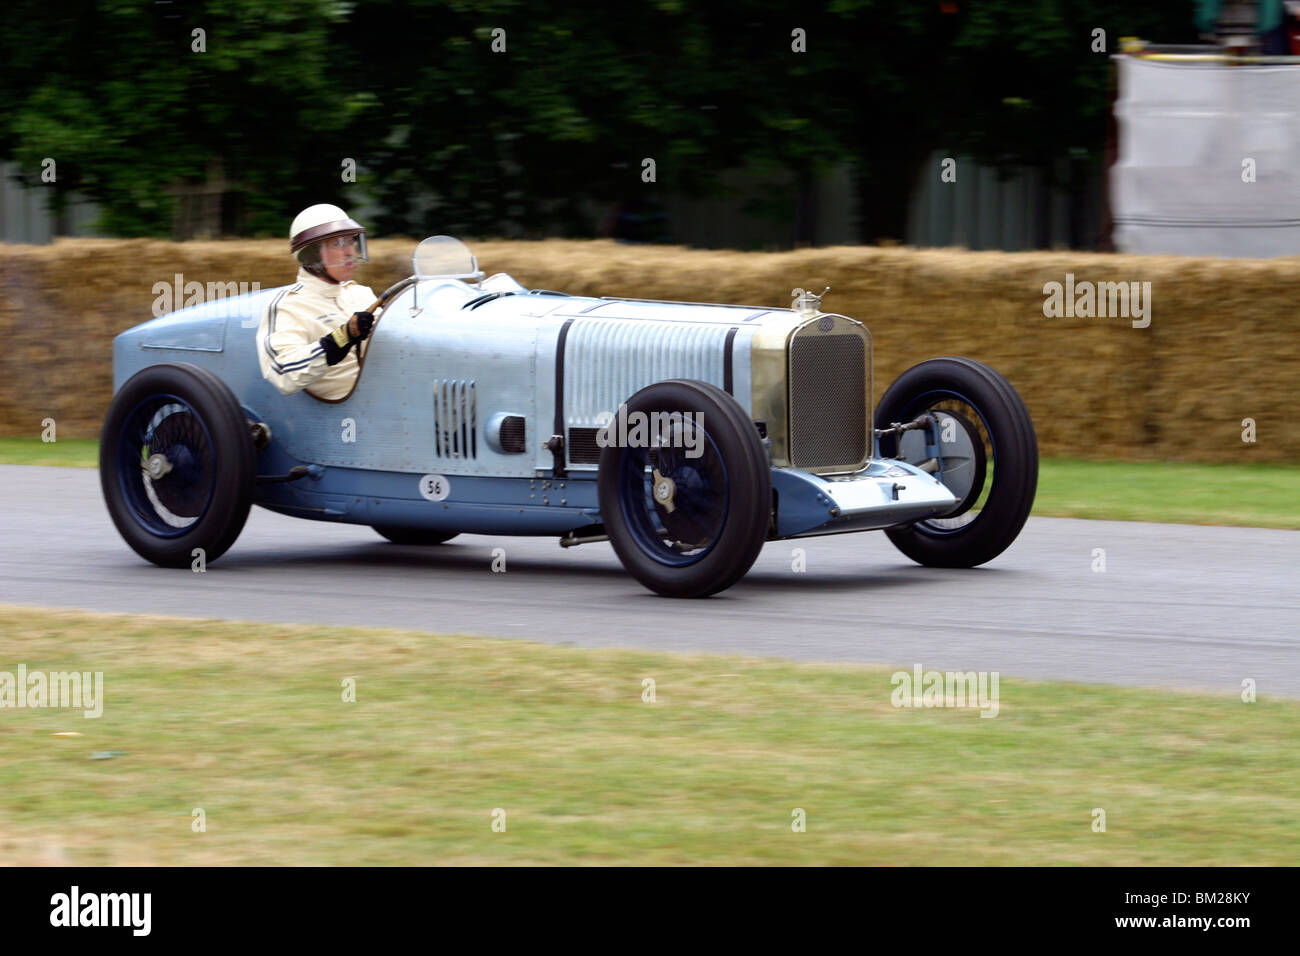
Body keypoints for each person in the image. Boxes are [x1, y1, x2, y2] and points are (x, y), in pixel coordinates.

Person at [257, 203, 377, 400]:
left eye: (351, 241)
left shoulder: (361, 294)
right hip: (347, 412)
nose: (350, 251)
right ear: (312, 255)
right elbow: (283, 374)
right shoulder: (289, 306)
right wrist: (341, 338)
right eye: (338, 244)